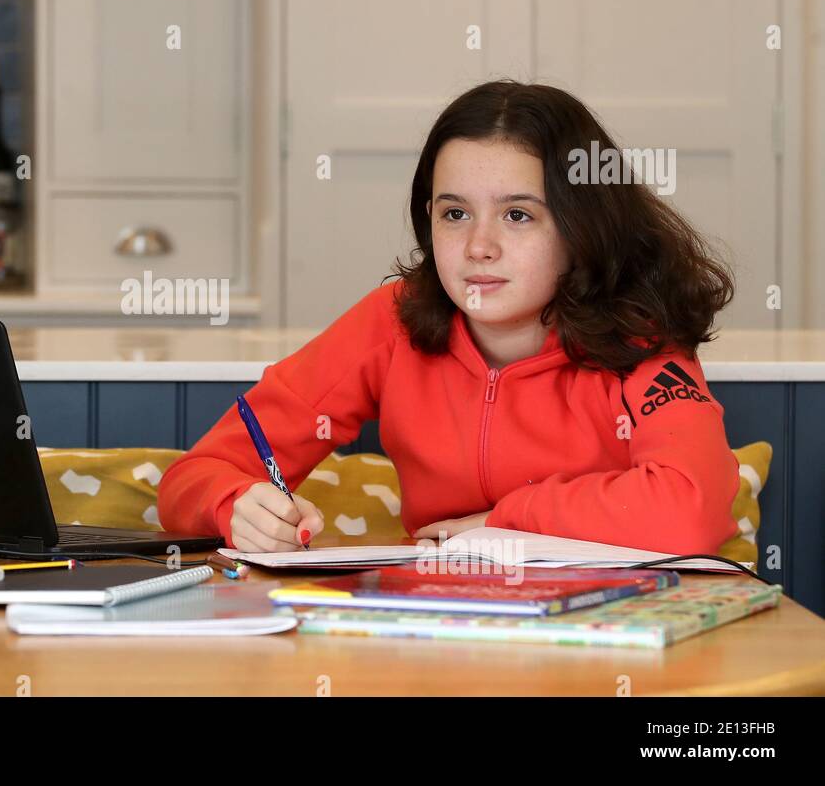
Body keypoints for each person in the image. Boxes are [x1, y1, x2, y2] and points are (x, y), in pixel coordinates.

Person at [158, 80, 739, 555]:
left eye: (517, 215)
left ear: (580, 226)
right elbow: (194, 476)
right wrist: (235, 505)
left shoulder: (640, 330)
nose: (478, 247)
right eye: (455, 212)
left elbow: (693, 510)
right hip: (439, 630)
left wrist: (508, 519)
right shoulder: (393, 320)